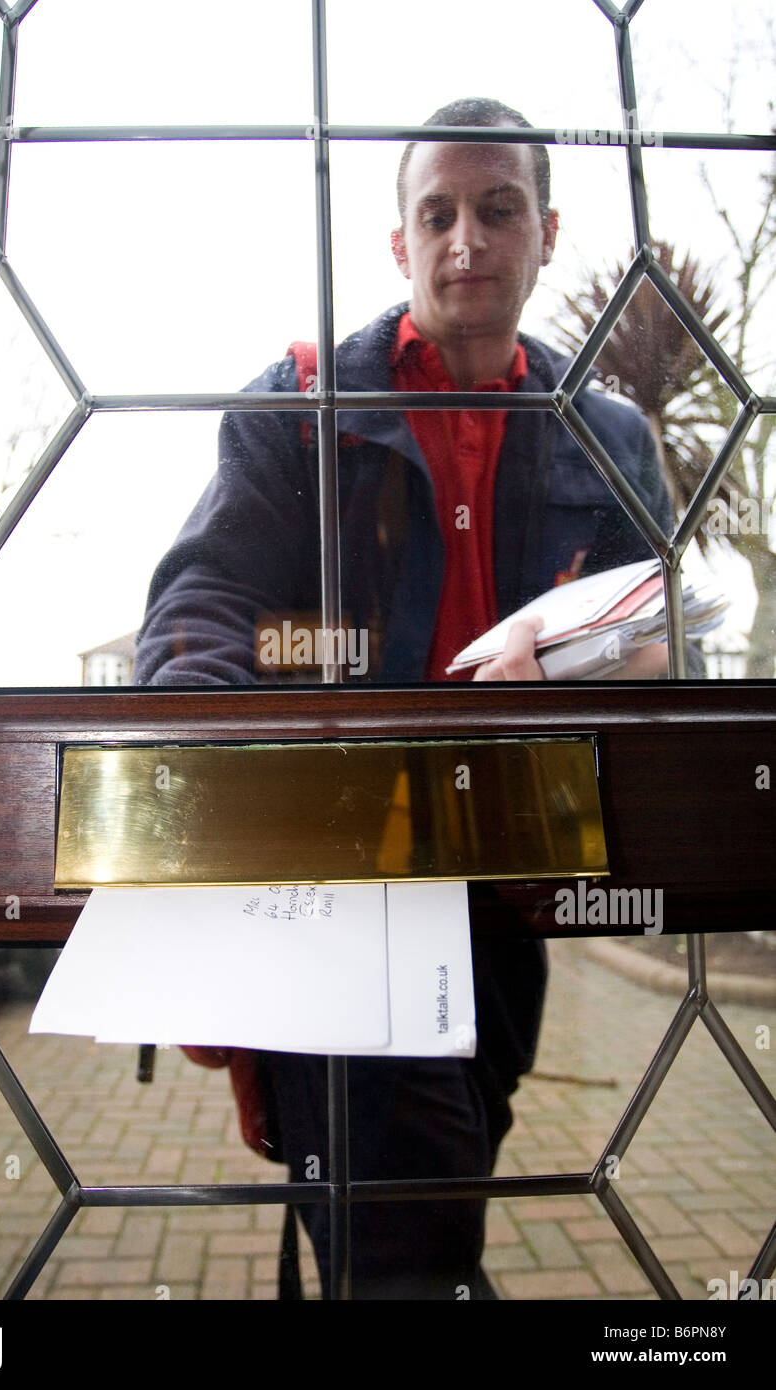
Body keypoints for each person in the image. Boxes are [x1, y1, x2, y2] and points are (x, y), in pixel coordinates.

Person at [135, 98, 675, 1298]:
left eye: (497, 210)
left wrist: (637, 671)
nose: (466, 241)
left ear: (547, 231)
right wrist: (211, 745)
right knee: (411, 1240)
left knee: (439, 1176)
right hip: (340, 878)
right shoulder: (305, 402)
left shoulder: (611, 438)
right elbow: (206, 590)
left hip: (509, 880)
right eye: (436, 214)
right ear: (398, 243)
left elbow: (656, 635)